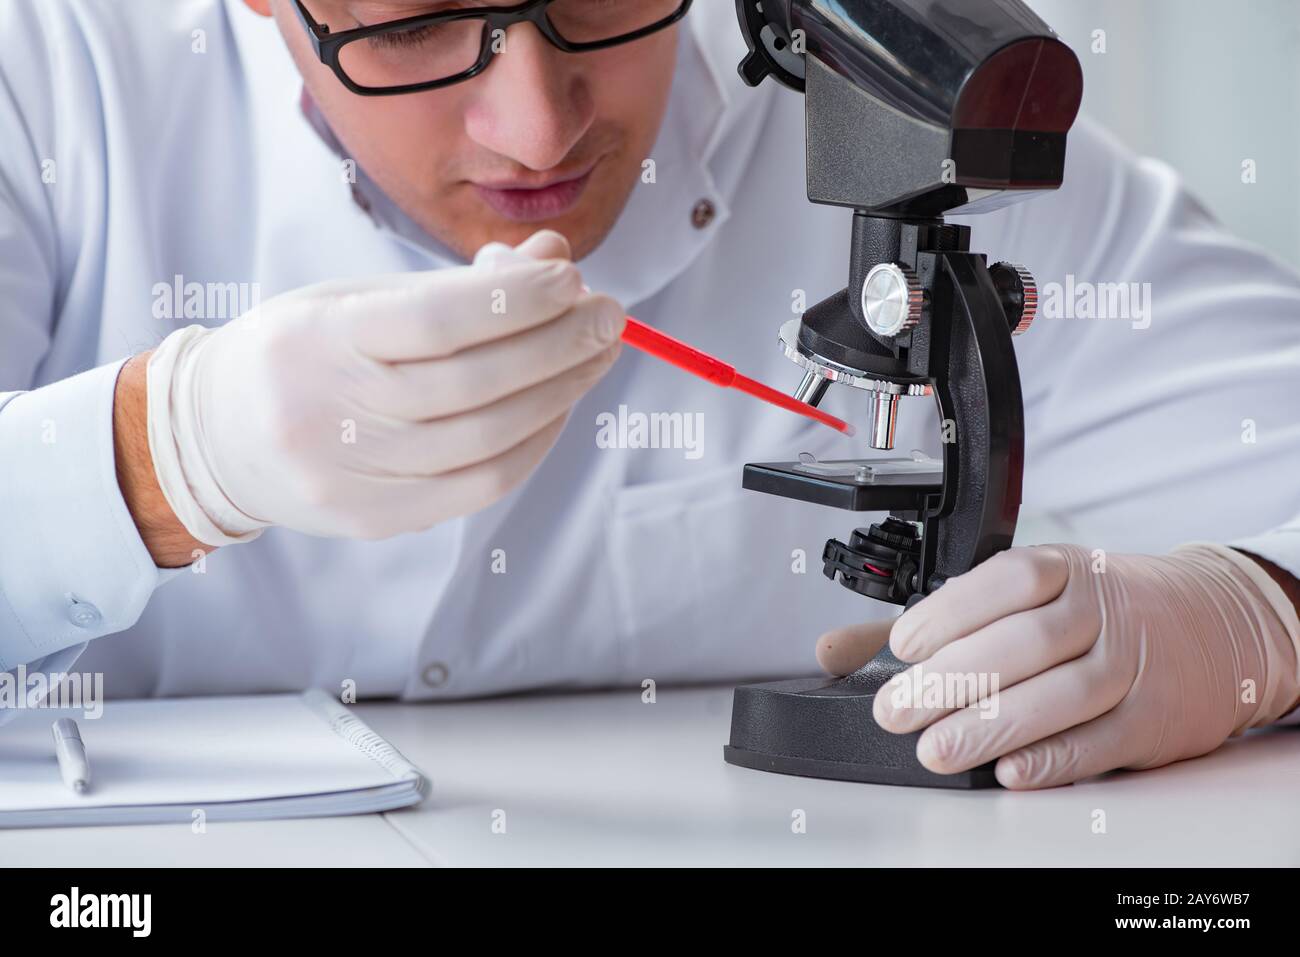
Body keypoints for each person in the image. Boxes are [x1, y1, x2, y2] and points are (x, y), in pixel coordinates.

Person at [0, 0, 1296, 789]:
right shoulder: (52, 81)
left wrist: (1255, 628)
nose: (535, 127)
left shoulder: (886, 105)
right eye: (411, 22)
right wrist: (161, 460)